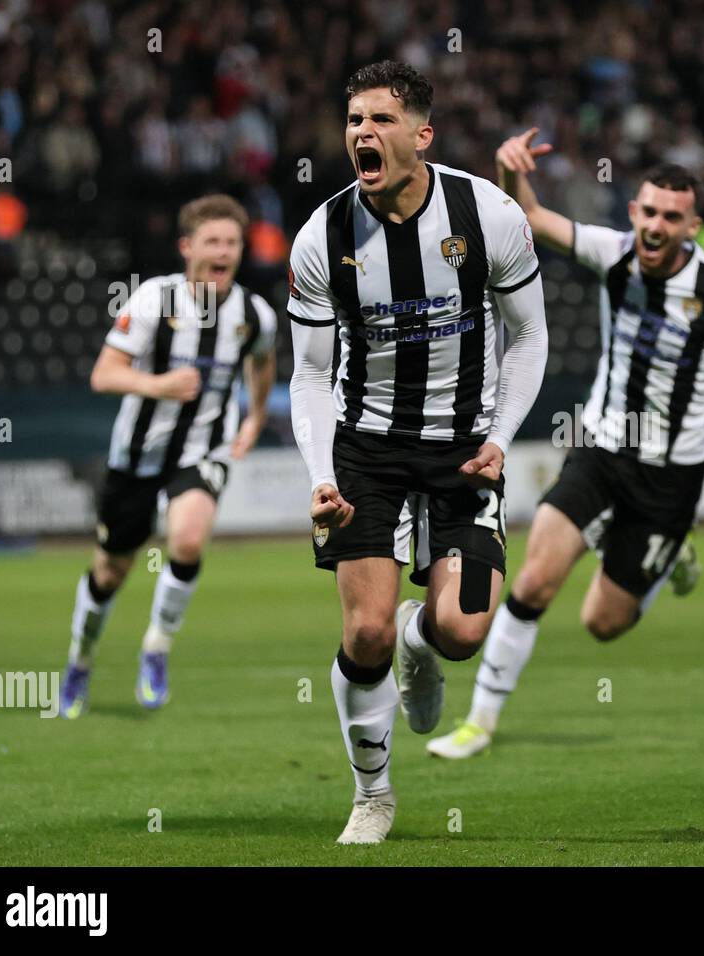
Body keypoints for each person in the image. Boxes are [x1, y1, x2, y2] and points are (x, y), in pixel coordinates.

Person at [426, 130, 704, 761]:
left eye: (672, 217)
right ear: (633, 212)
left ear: (693, 226)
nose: (656, 226)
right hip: (600, 449)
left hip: (669, 476)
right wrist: (507, 169)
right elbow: (534, 218)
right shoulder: (613, 252)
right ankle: (480, 721)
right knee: (535, 582)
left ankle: (668, 556)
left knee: (601, 624)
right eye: (648, 211)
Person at [286, 61, 547, 844]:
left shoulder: (487, 213)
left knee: (463, 632)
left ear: (421, 135)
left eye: (380, 121)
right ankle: (373, 794)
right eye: (354, 120)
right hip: (365, 448)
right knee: (360, 634)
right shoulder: (322, 235)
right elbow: (307, 372)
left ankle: (419, 640)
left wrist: (501, 438)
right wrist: (322, 475)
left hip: (466, 449)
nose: (362, 134)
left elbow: (529, 337)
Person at [60, 194, 277, 719]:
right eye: (213, 242)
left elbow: (263, 363)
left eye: (232, 243)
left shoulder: (254, 312)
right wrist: (159, 384)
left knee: (185, 539)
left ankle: (156, 649)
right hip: (136, 456)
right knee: (110, 572)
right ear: (187, 247)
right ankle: (80, 659)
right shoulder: (155, 300)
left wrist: (253, 417)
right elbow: (103, 374)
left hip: (203, 451)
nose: (224, 252)